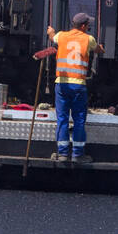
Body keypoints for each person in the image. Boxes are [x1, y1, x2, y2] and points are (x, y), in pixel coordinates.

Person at [46, 13, 98, 163]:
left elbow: (52, 37)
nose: (89, 27)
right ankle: (77, 155)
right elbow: (97, 49)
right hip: (78, 86)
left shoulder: (61, 36)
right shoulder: (89, 39)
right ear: (82, 26)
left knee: (62, 119)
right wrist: (100, 49)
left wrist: (50, 32)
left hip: (61, 85)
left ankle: (62, 154)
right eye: (88, 24)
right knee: (79, 120)